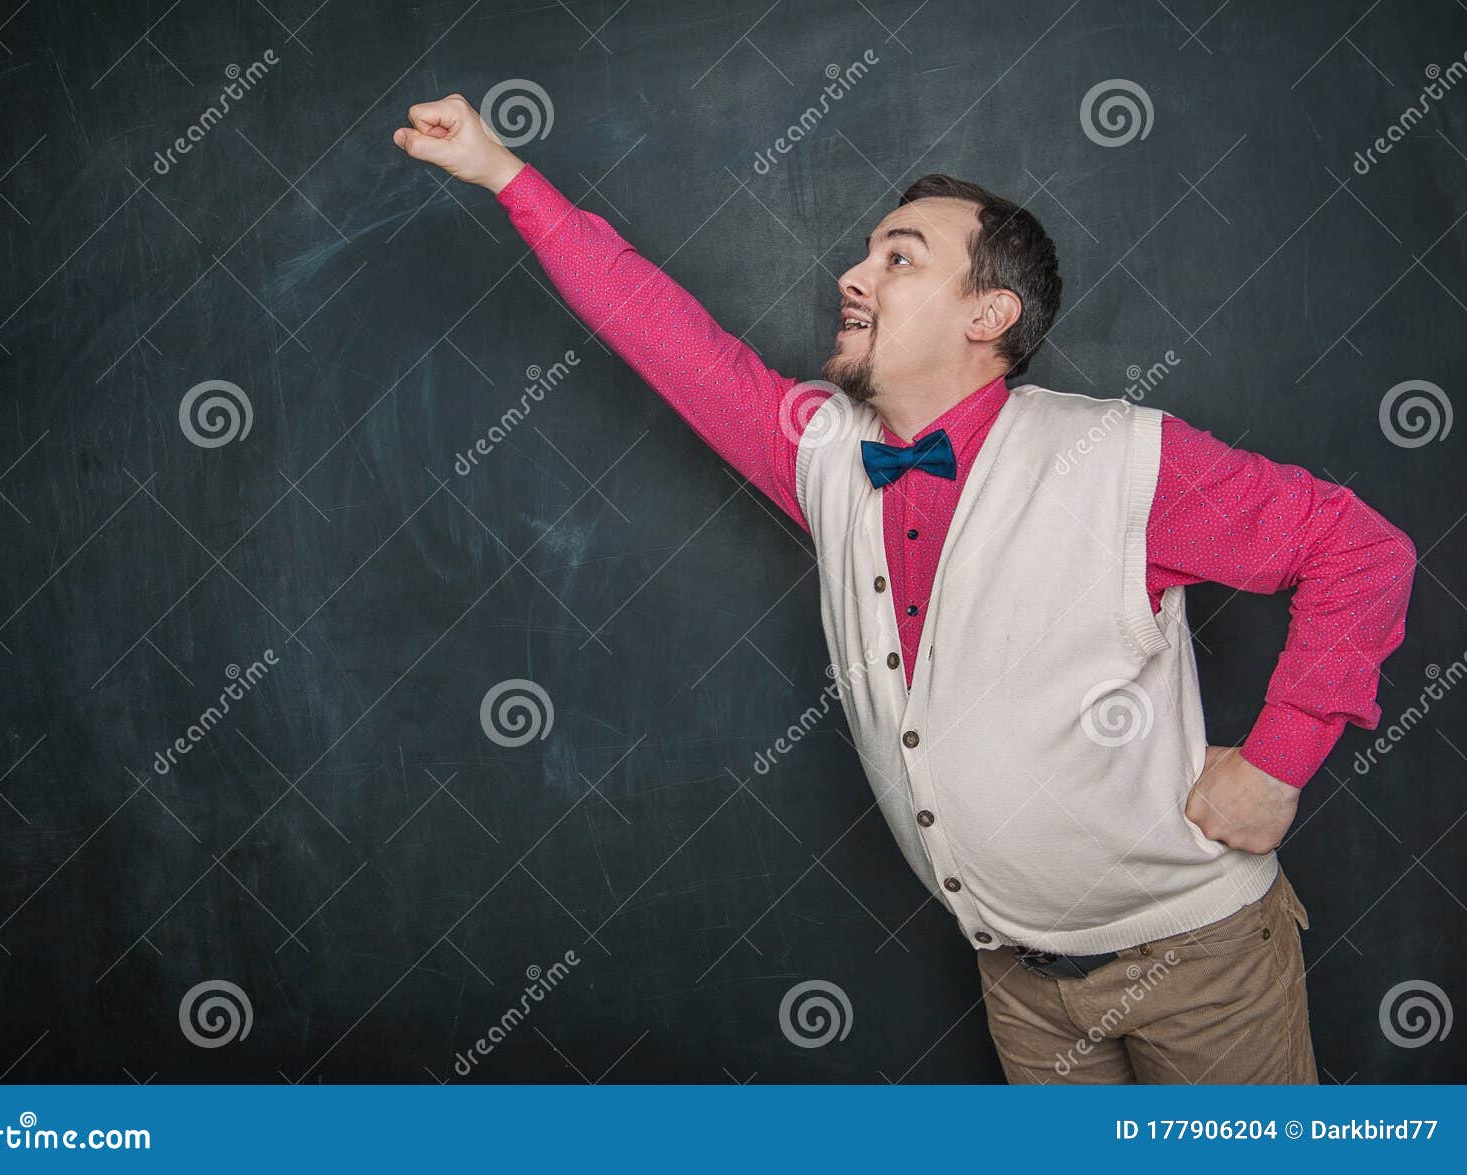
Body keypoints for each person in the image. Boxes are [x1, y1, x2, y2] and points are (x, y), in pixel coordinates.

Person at [393, 95, 1418, 1084]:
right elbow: (660, 330)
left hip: (1198, 965)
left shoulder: (1120, 457)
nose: (851, 275)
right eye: (866, 253)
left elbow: (1360, 551)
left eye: (898, 258)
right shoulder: (820, 451)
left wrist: (1279, 760)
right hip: (1016, 979)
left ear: (989, 313)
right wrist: (503, 173)